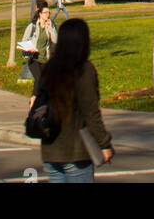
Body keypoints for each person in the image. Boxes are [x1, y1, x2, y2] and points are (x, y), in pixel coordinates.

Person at [29, 18, 112, 183]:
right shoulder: (83, 69)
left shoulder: (50, 68)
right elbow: (91, 111)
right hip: (75, 151)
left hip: (51, 150)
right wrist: (104, 143)